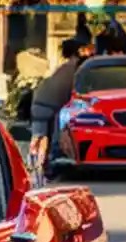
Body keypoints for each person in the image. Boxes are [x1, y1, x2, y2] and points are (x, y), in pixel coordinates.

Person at [29, 37, 87, 180]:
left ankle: (32, 165)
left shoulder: (62, 68)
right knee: (46, 140)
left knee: (38, 136)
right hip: (51, 106)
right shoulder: (77, 70)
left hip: (39, 101)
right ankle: (40, 168)